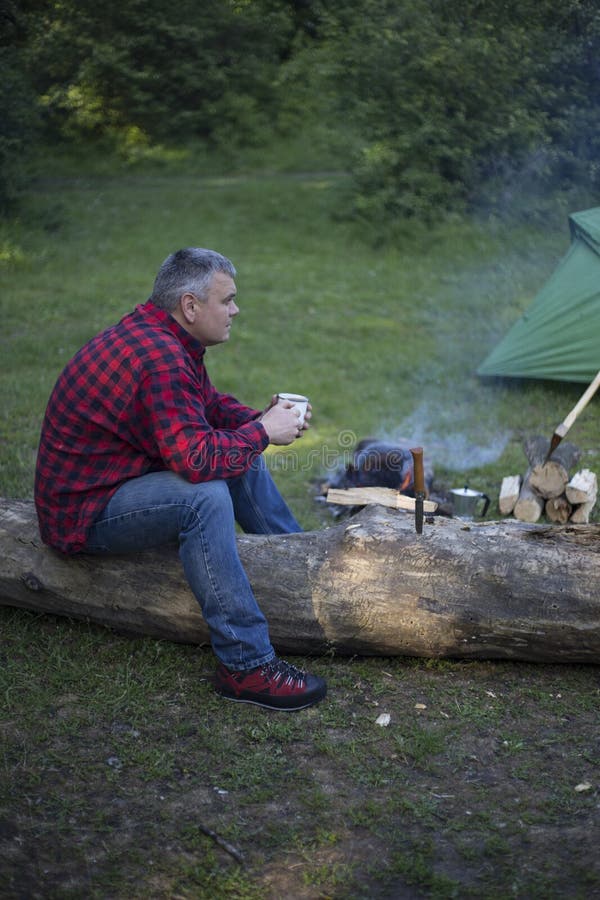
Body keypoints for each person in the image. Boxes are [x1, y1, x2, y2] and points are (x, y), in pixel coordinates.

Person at [34, 248, 327, 711]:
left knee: (240, 452)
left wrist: (260, 420)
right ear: (191, 306)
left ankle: (304, 567)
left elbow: (205, 410)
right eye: (227, 300)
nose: (235, 310)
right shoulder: (160, 356)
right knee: (205, 496)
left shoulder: (167, 338)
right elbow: (195, 460)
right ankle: (246, 666)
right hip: (84, 511)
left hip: (124, 477)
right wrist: (262, 431)